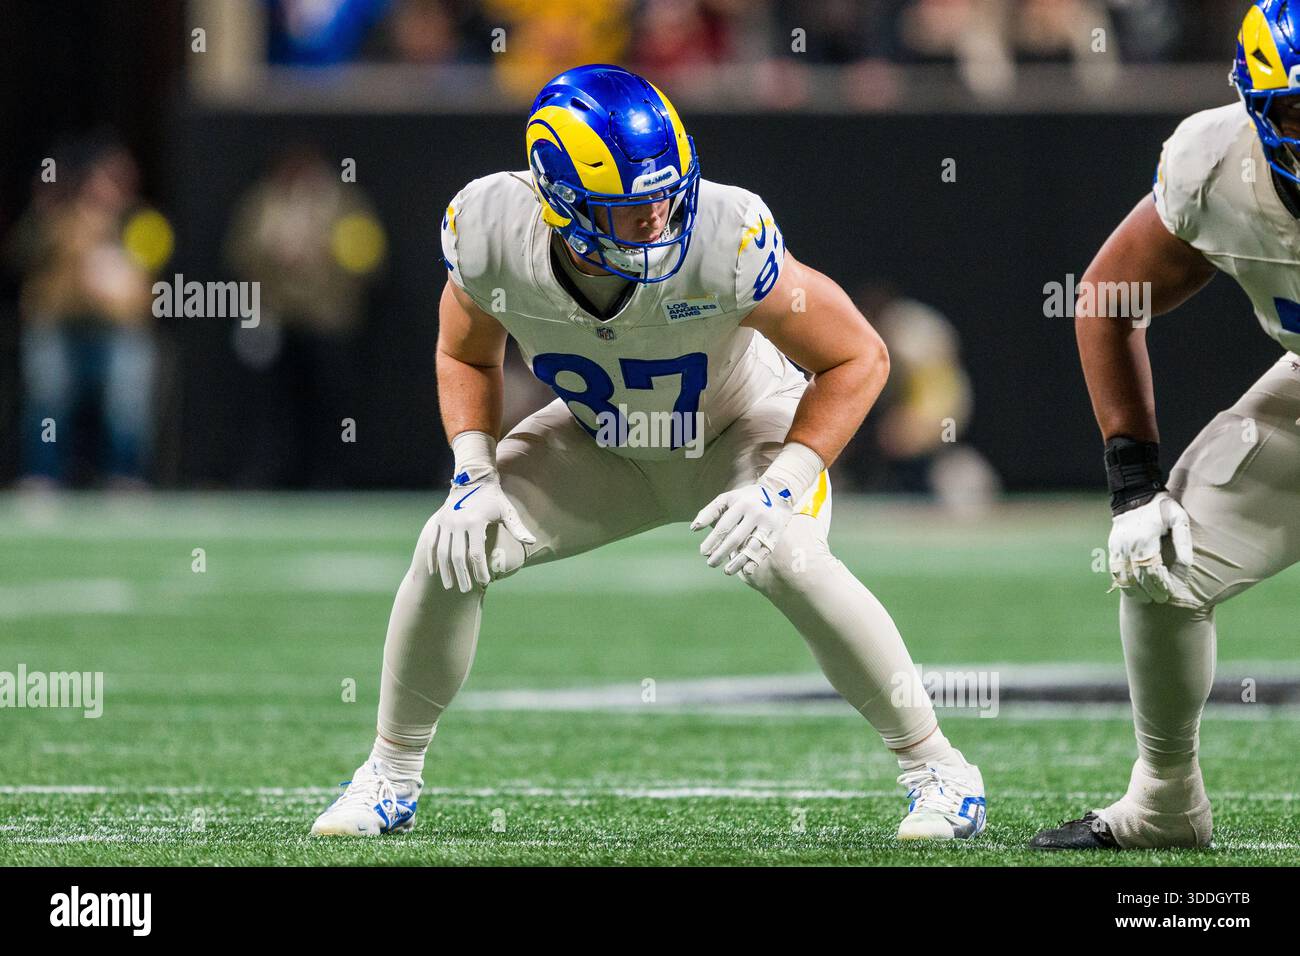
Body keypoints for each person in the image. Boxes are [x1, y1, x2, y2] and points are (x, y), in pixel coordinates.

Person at [311, 64, 985, 841]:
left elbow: (858, 357)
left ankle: (939, 769)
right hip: (606, 444)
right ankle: (390, 776)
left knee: (788, 556)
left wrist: (784, 483)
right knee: (451, 543)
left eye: (669, 194)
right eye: (631, 209)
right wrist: (473, 471)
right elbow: (464, 353)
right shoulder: (492, 229)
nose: (661, 217)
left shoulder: (724, 235)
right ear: (560, 203)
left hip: (739, 429)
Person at [1033, 0, 1300, 850]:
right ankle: (1164, 804)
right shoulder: (1214, 164)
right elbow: (1107, 302)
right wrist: (1134, 483)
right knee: (1162, 562)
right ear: (1257, 105)